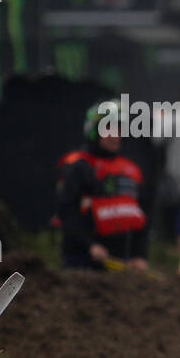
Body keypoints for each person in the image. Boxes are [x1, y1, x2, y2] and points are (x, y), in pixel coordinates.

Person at [55, 101, 149, 270]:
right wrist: (90, 245)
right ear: (94, 130)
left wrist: (140, 255)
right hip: (82, 262)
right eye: (109, 129)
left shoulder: (131, 170)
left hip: (120, 264)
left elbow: (141, 217)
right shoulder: (78, 165)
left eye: (119, 129)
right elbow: (67, 211)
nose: (115, 136)